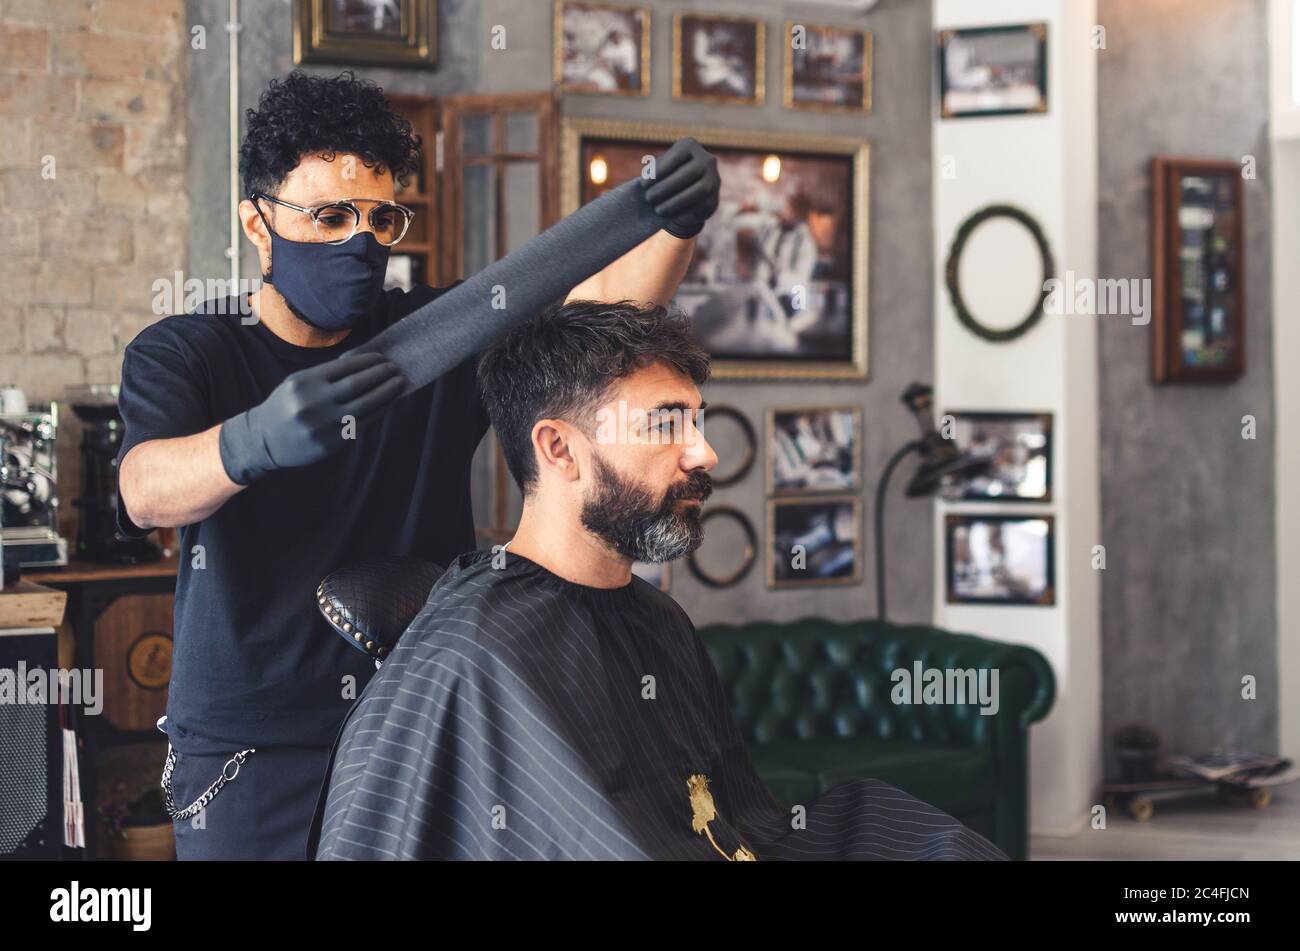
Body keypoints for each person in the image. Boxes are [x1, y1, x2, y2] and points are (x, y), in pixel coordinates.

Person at [115, 70, 720, 860]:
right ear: (257, 224)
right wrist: (253, 439)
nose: (357, 243)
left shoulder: (433, 339)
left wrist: (672, 220)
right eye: (329, 217)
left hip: (421, 713)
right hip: (252, 743)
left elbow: (601, 308)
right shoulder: (187, 351)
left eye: (378, 219)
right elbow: (144, 491)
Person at [314, 300, 1008, 861]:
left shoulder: (656, 617)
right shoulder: (473, 651)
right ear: (559, 448)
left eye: (696, 422)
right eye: (666, 425)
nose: (703, 452)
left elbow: (729, 822)